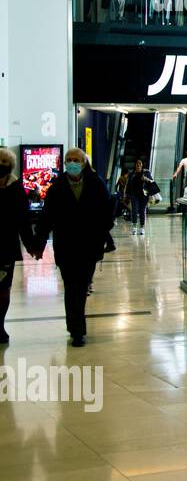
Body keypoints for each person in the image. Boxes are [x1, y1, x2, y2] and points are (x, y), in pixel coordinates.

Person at [30, 148, 114, 347]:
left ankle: (77, 326)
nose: (72, 163)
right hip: (66, 246)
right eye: (68, 160)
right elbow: (46, 218)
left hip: (88, 245)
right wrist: (38, 244)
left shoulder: (96, 184)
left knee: (82, 285)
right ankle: (77, 330)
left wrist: (102, 233)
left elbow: (107, 212)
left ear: (84, 163)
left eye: (76, 159)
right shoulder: (56, 187)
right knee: (71, 287)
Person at [0, 148, 35, 344]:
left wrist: (31, 245)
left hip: (5, 246)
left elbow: (23, 220)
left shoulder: (16, 188)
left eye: (5, 163)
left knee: (3, 288)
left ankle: (0, 326)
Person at [126, 159, 153, 235]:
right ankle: (134, 227)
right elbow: (128, 185)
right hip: (134, 195)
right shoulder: (131, 173)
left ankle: (142, 228)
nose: (138, 165)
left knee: (142, 211)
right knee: (134, 210)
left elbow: (152, 182)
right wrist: (126, 195)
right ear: (135, 165)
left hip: (144, 195)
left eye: (140, 163)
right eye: (137, 164)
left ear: (142, 165)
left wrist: (146, 179)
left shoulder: (146, 172)